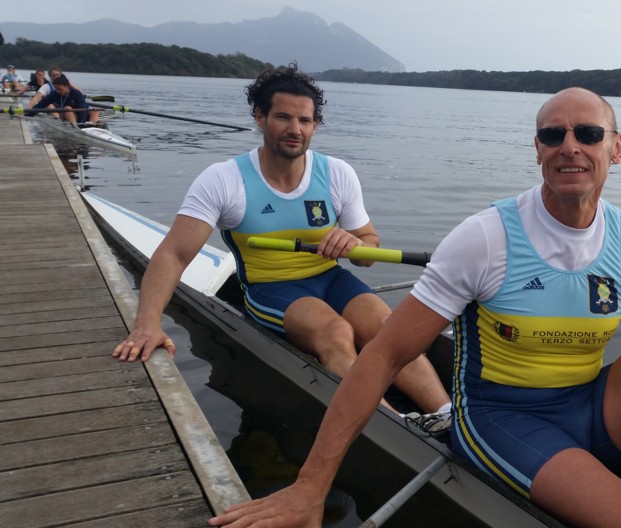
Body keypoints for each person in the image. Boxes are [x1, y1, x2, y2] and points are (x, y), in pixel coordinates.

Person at [209, 87, 621, 528]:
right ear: (538, 149)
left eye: (588, 133)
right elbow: (381, 358)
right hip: (505, 420)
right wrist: (309, 489)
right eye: (552, 134)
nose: (569, 145)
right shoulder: (485, 237)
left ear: (616, 148)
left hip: (597, 414)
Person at [111, 63, 451, 417]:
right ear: (260, 117)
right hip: (270, 286)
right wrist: (147, 325)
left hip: (333, 279)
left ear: (315, 125)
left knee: (387, 328)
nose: (295, 129)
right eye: (283, 117)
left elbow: (368, 250)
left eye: (305, 121)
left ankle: (445, 417)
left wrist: (355, 244)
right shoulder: (225, 179)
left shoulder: (337, 173)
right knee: (336, 333)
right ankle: (395, 426)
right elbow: (174, 255)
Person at [26, 75, 101, 125]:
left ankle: (92, 127)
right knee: (67, 108)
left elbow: (83, 108)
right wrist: (28, 115)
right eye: (56, 89)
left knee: (95, 110)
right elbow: (41, 105)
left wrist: (82, 122)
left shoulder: (76, 93)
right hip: (65, 115)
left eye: (60, 89)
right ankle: (77, 129)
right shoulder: (54, 94)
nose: (58, 91)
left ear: (67, 86)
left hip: (79, 116)